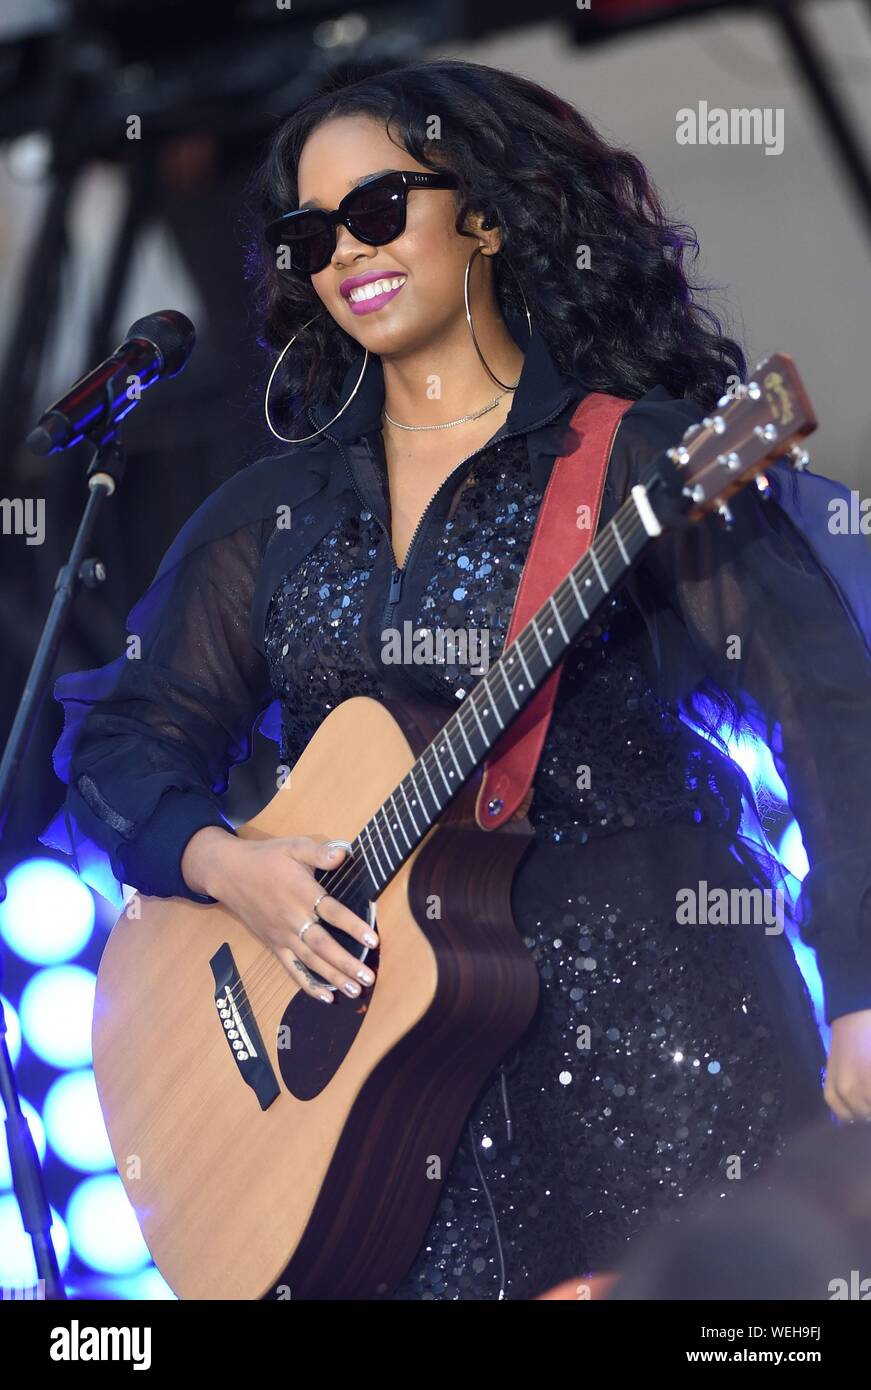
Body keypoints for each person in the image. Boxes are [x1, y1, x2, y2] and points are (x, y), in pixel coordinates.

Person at [42, 58, 871, 1300]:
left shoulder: (641, 454)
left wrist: (860, 982)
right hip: (388, 1115)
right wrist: (232, 869)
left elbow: (831, 713)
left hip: (666, 1039)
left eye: (378, 209)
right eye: (309, 233)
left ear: (481, 211)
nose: (344, 253)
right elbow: (120, 745)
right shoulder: (271, 516)